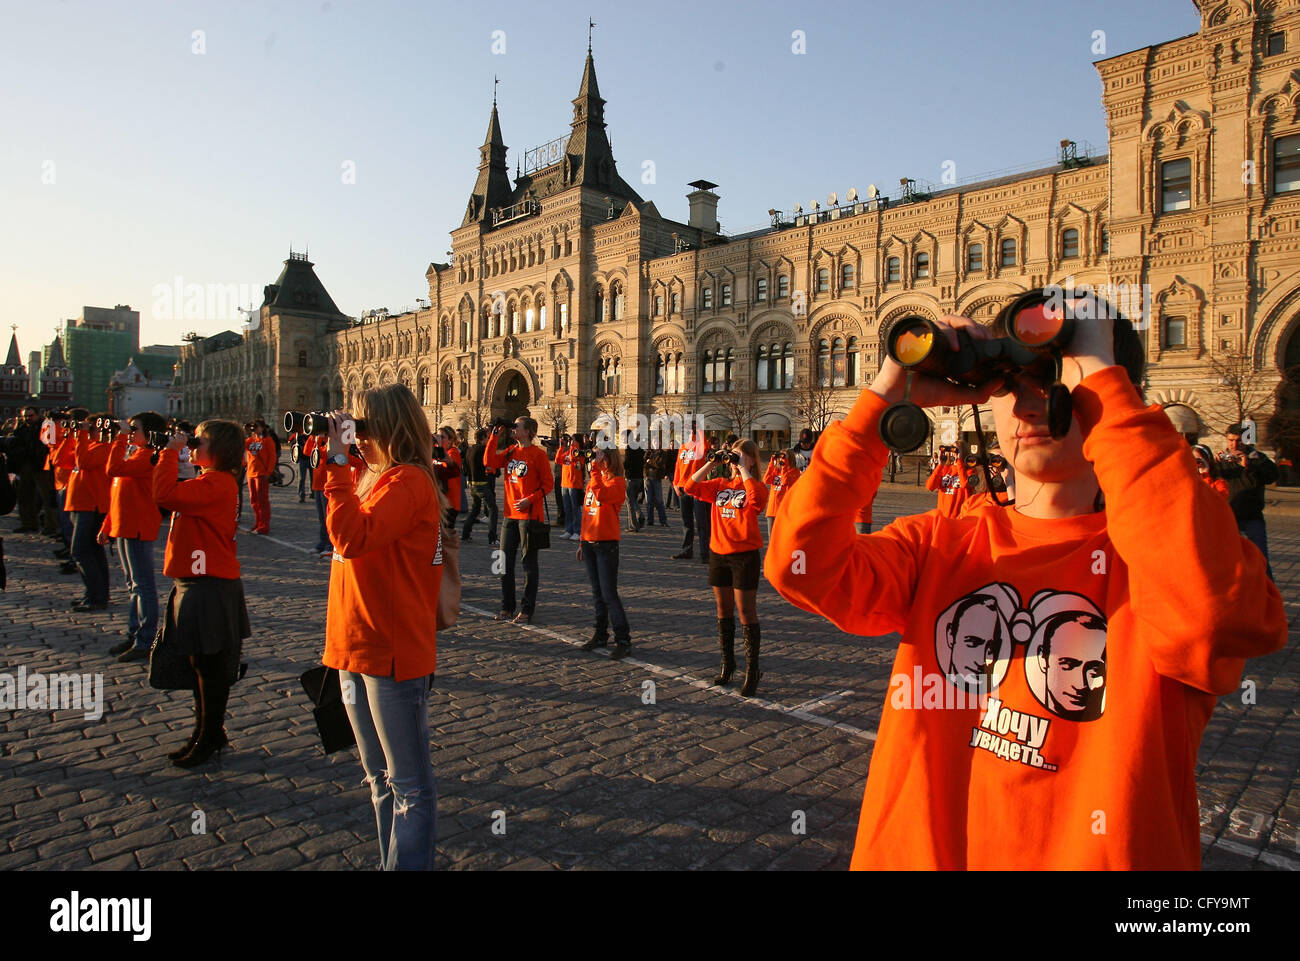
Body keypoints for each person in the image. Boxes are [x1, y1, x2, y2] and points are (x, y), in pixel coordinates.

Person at [765, 290, 1286, 869]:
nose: (1030, 406)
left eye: (1054, 382)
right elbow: (800, 566)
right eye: (1010, 386)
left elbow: (1214, 616)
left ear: (1114, 394)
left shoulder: (1161, 557)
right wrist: (883, 400)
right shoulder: (940, 542)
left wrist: (1103, 381)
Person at [320, 385, 446, 871]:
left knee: (408, 783)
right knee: (377, 778)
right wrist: (337, 458)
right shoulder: (372, 476)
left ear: (387, 427)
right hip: (354, 643)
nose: (357, 433)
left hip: (391, 650)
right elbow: (344, 518)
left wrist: (336, 463)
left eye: (363, 425)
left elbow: (351, 537)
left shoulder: (409, 481)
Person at [153, 420, 251, 769]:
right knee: (200, 665)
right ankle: (206, 731)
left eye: (200, 441)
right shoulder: (212, 481)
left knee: (209, 669)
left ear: (220, 450)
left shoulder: (216, 483)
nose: (193, 446)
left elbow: (163, 495)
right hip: (199, 581)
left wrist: (169, 452)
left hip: (208, 584)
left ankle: (209, 736)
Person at [684, 439, 769, 696]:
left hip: (744, 556)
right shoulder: (720, 485)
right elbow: (690, 487)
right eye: (733, 456)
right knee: (723, 609)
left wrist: (743, 469)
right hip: (718, 553)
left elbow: (757, 502)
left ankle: (752, 669)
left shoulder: (756, 486)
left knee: (746, 612)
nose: (734, 461)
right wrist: (712, 462)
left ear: (752, 459)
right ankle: (728, 663)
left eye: (741, 456)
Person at [101, 412, 167, 662]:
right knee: (132, 585)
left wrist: (119, 437)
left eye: (134, 429)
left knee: (142, 586)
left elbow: (112, 469)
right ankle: (134, 633)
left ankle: (146, 638)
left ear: (148, 434)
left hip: (137, 526)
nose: (130, 433)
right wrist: (107, 524)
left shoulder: (149, 458)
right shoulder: (136, 454)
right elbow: (117, 491)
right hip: (123, 525)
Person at [484, 415, 554, 624]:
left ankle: (527, 608)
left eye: (517, 427)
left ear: (528, 431)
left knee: (528, 563)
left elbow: (548, 484)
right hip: (510, 516)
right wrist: (494, 437)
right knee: (504, 562)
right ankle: (507, 606)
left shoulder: (538, 455)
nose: (513, 429)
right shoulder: (511, 452)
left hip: (529, 516)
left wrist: (529, 500)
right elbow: (489, 462)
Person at [577, 445, 632, 658]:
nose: (596, 461)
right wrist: (582, 541)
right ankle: (600, 634)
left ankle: (623, 639)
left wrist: (595, 470)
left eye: (601, 457)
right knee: (597, 593)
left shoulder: (617, 482)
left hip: (606, 543)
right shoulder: (596, 479)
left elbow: (601, 496)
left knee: (609, 593)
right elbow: (587, 513)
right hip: (590, 541)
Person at [1218, 422, 1279, 579]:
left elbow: (1273, 476)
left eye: (1238, 440)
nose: (1234, 444)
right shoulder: (1224, 459)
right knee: (1227, 560)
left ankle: (1267, 595)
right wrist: (1214, 466)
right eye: (1230, 440)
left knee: (1260, 559)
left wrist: (1249, 466)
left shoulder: (1257, 458)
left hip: (1252, 517)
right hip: (1228, 517)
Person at [67, 413, 113, 611]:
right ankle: (96, 593)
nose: (89, 431)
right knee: (93, 551)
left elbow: (84, 462)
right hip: (81, 504)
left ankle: (96, 595)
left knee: (80, 551)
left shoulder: (105, 447)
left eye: (92, 427)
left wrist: (82, 435)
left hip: (92, 506)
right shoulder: (90, 445)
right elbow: (61, 458)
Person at [671, 428, 710, 560]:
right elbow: (677, 467)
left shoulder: (700, 447)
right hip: (683, 489)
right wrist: (675, 483)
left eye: (690, 431)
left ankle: (705, 553)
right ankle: (687, 550)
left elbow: (706, 445)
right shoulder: (682, 447)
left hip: (697, 488)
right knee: (686, 523)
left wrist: (698, 428)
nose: (687, 434)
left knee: (701, 523)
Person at [462, 428, 499, 544]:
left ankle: (465, 533)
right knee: (493, 509)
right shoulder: (483, 449)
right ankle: (492, 537)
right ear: (483, 438)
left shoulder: (470, 449)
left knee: (475, 509)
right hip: (482, 484)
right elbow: (490, 464)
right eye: (487, 438)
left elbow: (464, 468)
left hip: (472, 484)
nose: (488, 440)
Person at [303, 432, 332, 558]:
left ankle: (330, 545)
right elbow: (307, 452)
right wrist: (312, 436)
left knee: (328, 518)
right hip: (317, 483)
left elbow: (325, 453)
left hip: (327, 483)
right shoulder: (316, 440)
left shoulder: (329, 440)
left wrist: (320, 439)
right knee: (321, 518)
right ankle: (322, 542)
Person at [244, 420, 275, 535]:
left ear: (262, 427)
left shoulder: (267, 440)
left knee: (262, 501)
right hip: (251, 473)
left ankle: (264, 525)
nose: (254, 429)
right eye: (253, 427)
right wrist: (245, 431)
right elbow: (241, 445)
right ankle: (257, 523)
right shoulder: (250, 440)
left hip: (261, 474)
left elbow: (272, 457)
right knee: (254, 501)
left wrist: (269, 471)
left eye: (256, 427)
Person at [763, 448, 801, 538]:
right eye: (781, 457)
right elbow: (766, 480)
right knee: (772, 540)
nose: (781, 459)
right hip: (772, 510)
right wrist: (771, 463)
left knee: (784, 538)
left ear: (790, 459)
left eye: (784, 457)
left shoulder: (795, 472)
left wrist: (784, 466)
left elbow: (785, 481)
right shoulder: (776, 471)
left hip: (784, 511)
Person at [557, 435, 585, 541]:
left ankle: (577, 531)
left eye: (573, 440)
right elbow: (558, 459)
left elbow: (575, 460)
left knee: (575, 508)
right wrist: (561, 447)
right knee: (567, 508)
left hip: (574, 484)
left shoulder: (580, 454)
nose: (571, 442)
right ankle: (569, 530)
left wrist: (574, 447)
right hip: (564, 483)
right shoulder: (567, 453)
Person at [622, 432, 645, 533]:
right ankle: (640, 514)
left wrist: (621, 465)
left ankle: (633, 525)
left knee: (629, 502)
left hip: (631, 478)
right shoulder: (639, 448)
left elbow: (627, 464)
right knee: (633, 500)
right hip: (639, 477)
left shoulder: (629, 449)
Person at [644, 446, 669, 527]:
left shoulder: (663, 453)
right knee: (649, 501)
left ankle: (663, 521)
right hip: (647, 478)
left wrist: (649, 461)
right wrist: (649, 461)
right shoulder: (649, 451)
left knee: (659, 501)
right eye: (654, 442)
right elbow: (644, 461)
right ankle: (650, 520)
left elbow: (659, 464)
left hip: (656, 478)